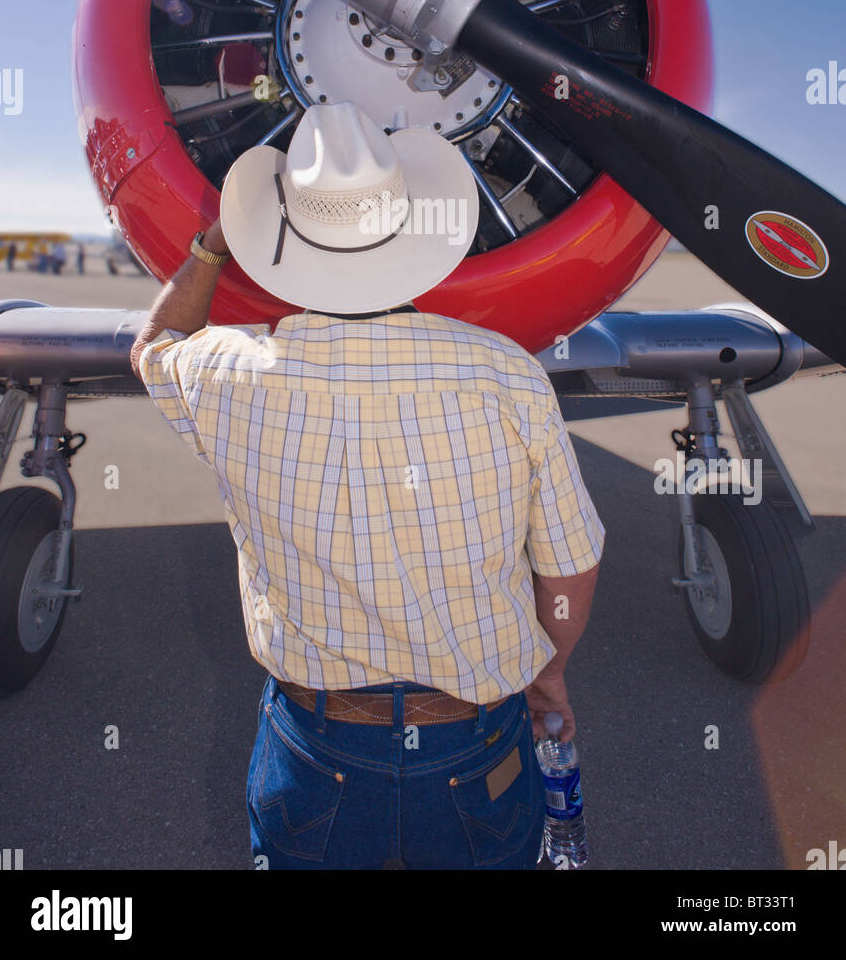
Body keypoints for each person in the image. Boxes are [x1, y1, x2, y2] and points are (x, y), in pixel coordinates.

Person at [130, 101, 604, 870]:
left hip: (316, 742)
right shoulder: (507, 372)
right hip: (476, 735)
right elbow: (569, 564)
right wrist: (546, 674)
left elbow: (154, 346)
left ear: (282, 238)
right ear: (411, 226)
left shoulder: (226, 373)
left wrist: (214, 244)